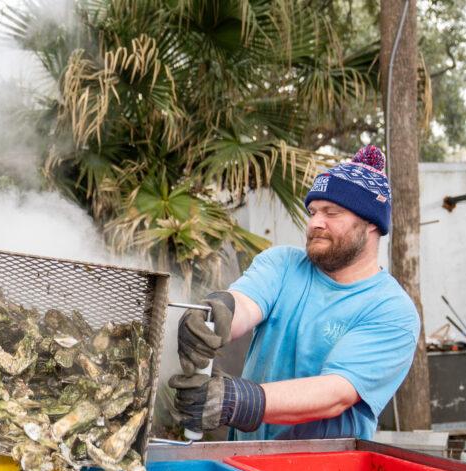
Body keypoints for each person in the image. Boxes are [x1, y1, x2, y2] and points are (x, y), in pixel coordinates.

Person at [172, 145, 420, 440]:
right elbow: (245, 305)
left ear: (370, 225)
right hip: (242, 461)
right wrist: (218, 312)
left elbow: (335, 393)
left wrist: (242, 401)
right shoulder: (283, 264)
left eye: (332, 213)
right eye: (313, 211)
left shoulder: (391, 310)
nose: (315, 222)